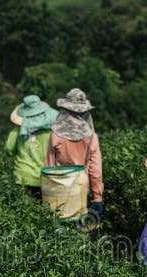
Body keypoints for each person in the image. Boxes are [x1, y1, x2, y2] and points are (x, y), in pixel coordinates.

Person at [43, 88, 104, 221]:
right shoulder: (92, 137)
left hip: (58, 190)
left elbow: (48, 168)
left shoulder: (55, 136)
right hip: (81, 190)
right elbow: (95, 170)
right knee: (78, 230)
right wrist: (98, 197)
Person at [4, 95, 58, 197]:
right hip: (45, 175)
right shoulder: (51, 131)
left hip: (22, 176)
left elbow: (9, 149)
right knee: (44, 209)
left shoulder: (18, 129)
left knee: (22, 209)